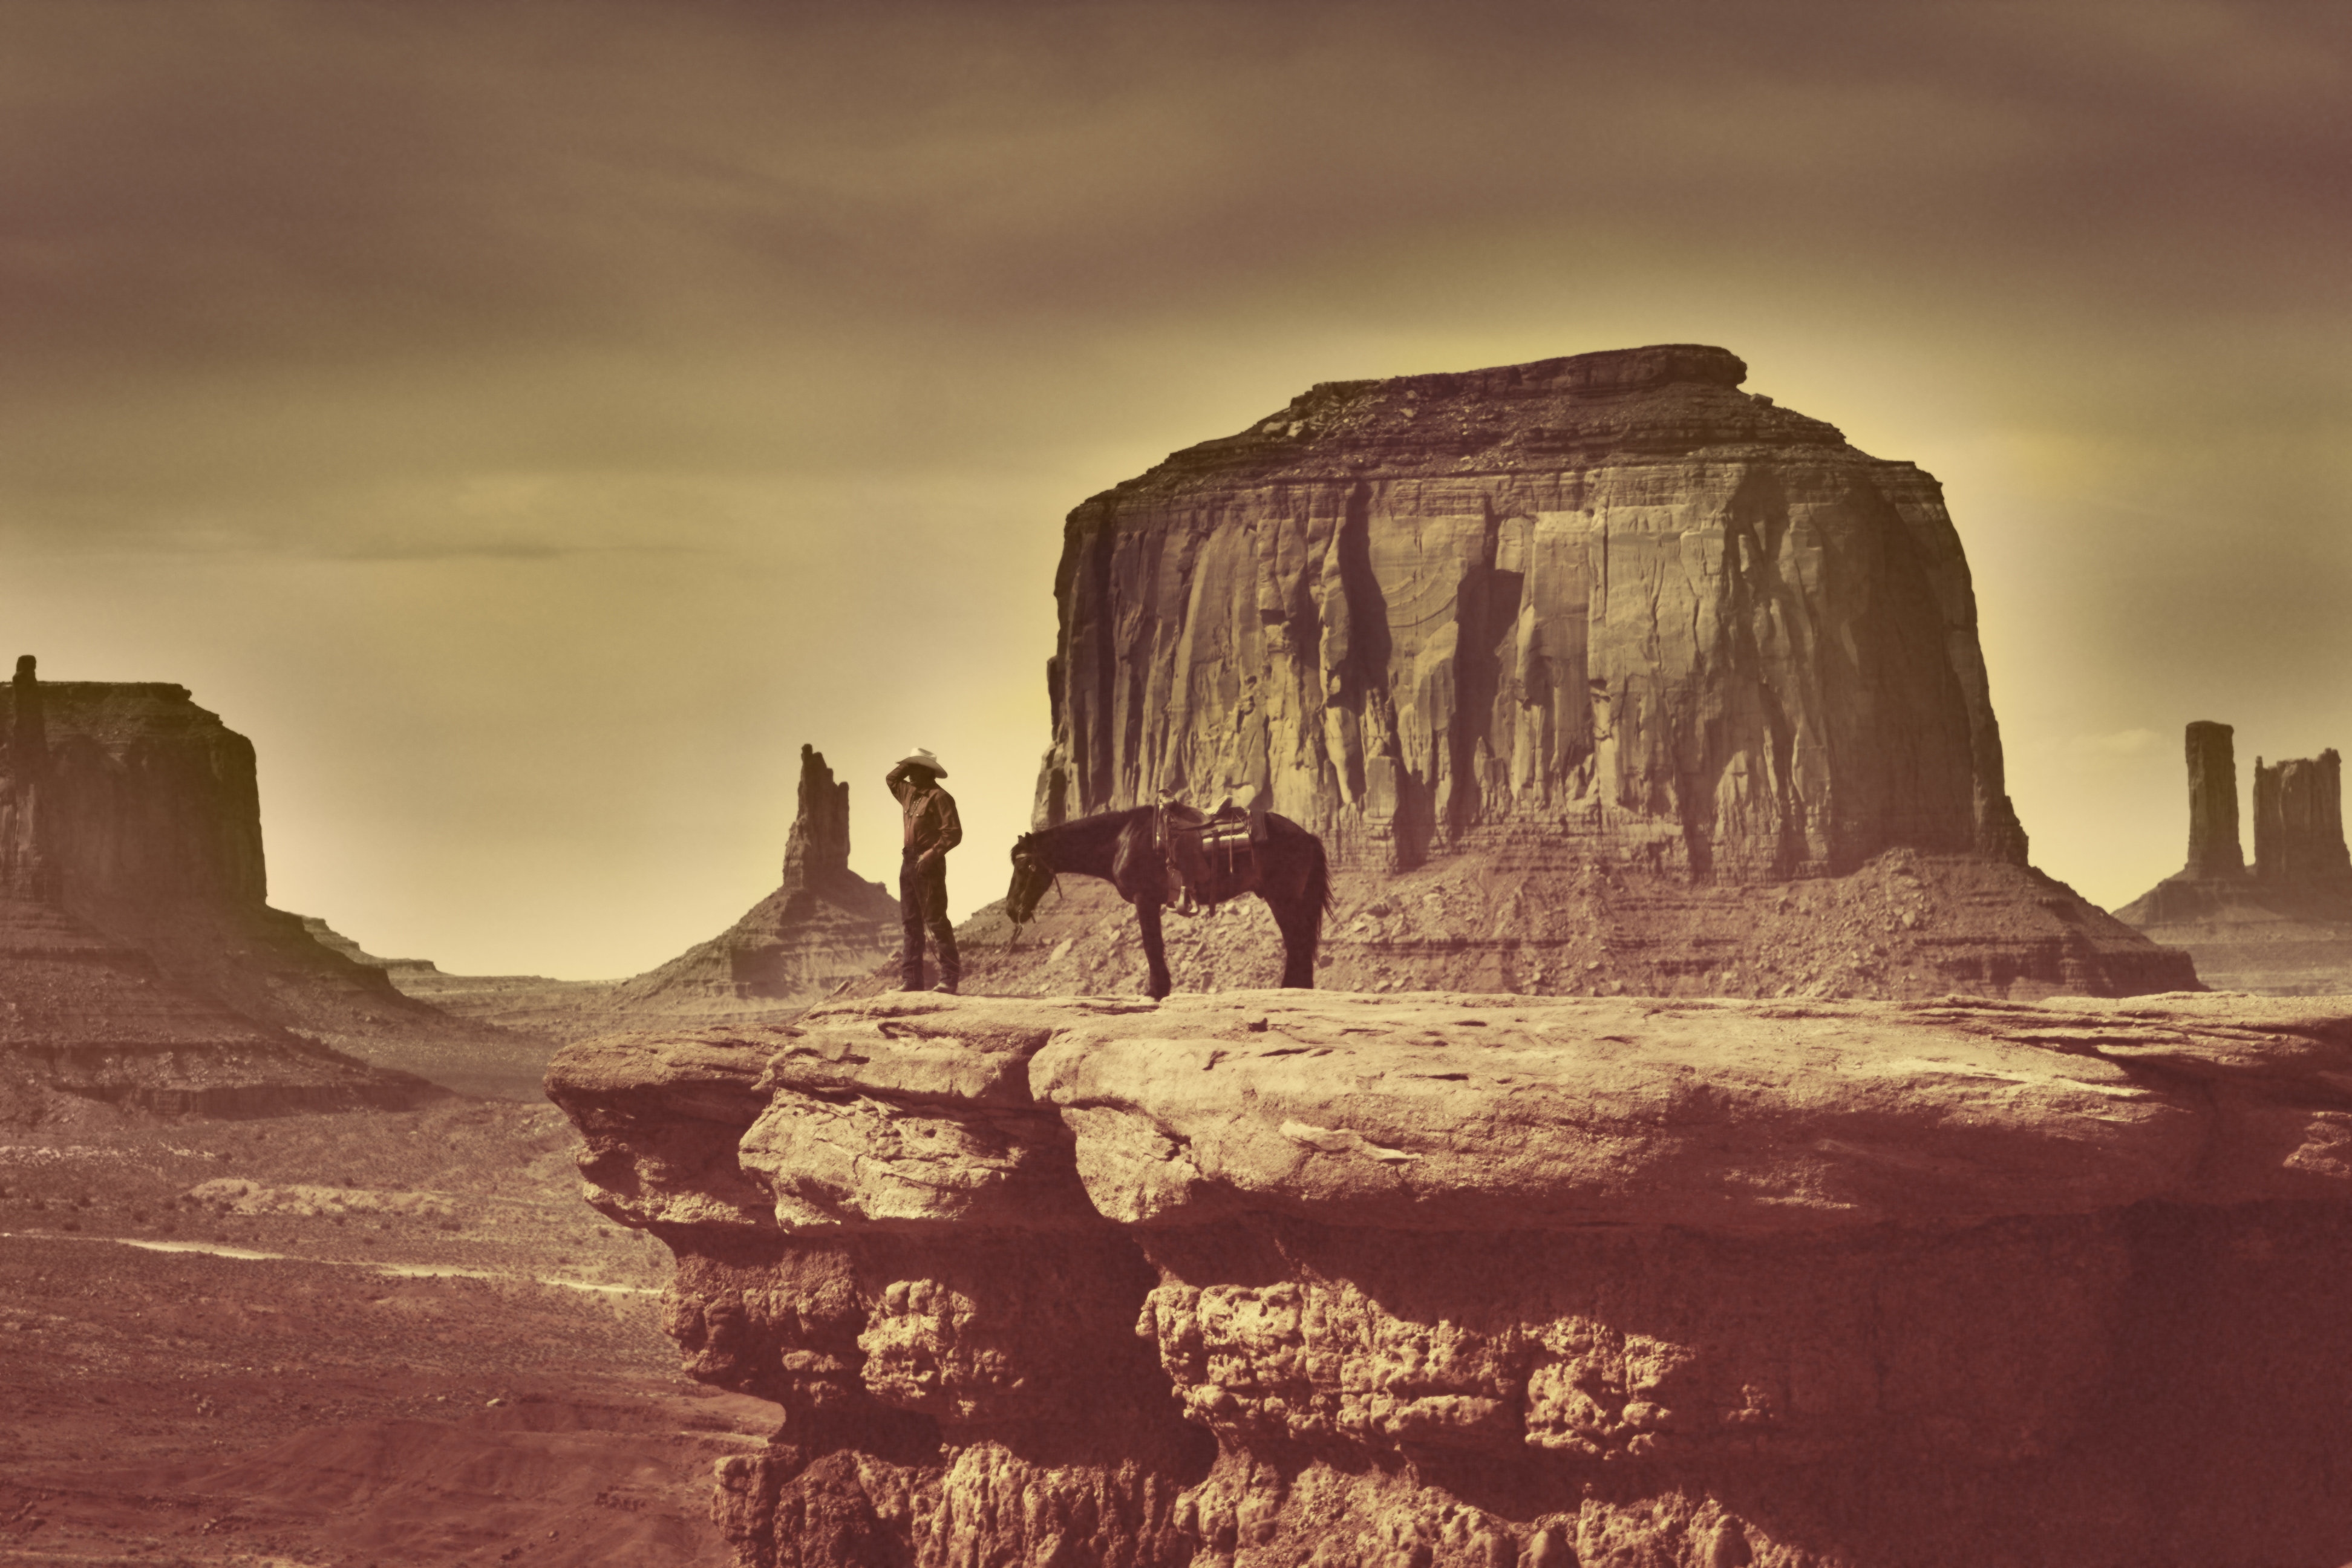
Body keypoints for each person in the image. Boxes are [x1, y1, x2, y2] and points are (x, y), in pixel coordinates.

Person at [886, 747, 961, 993]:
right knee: (910, 922)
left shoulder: (940, 797)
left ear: (927, 772)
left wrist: (931, 854)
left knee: (936, 920)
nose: (910, 776)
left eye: (916, 769)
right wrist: (908, 763)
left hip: (929, 863)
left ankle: (949, 980)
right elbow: (891, 779)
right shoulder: (908, 792)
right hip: (907, 861)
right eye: (910, 770)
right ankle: (911, 981)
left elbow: (953, 833)